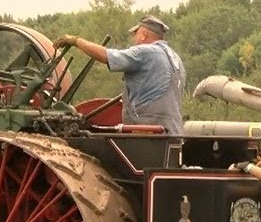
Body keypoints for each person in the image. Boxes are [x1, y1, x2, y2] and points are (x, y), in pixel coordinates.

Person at [53, 15, 185, 135]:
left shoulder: (145, 52)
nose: (135, 38)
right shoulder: (176, 58)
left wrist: (75, 41)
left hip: (148, 133)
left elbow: (106, 56)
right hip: (173, 131)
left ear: (144, 34)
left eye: (136, 33)